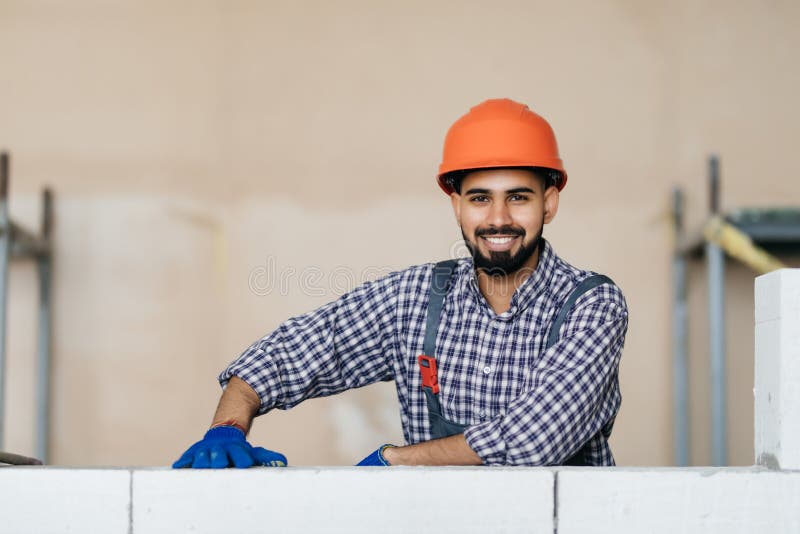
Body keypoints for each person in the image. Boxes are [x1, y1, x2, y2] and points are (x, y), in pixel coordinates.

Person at [172, 98, 629, 469]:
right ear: (456, 205)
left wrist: (395, 460)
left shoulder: (592, 306)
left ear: (549, 203)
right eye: (479, 198)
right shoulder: (415, 300)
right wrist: (227, 427)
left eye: (518, 197)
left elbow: (535, 438)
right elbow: (291, 351)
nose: (498, 218)